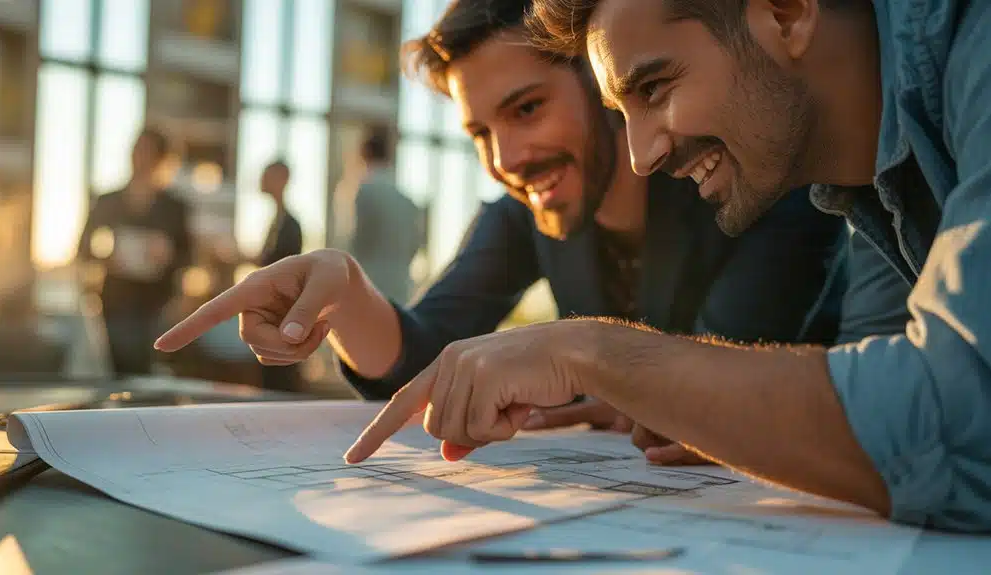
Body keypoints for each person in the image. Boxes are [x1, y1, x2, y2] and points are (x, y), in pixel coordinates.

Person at [342, 0, 991, 531]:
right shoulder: (865, 183)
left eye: (654, 86)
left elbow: (957, 420)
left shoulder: (968, 54)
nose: (640, 155)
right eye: (622, 110)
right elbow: (879, 414)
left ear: (788, 13)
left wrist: (595, 354)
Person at [155, 0, 846, 466]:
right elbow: (429, 356)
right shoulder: (521, 214)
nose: (506, 159)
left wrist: (604, 376)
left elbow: (723, 376)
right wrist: (349, 297)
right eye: (481, 132)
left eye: (527, 108)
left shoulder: (736, 175)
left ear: (604, 82)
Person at [78, 128, 193, 376]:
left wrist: (167, 254)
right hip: (116, 299)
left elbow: (187, 255)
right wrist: (107, 258)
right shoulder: (109, 201)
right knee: (119, 366)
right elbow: (84, 246)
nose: (140, 158)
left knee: (146, 368)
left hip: (157, 302)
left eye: (148, 152)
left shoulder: (175, 207)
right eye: (138, 150)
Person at [339, 126, 424, 306]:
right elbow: (415, 244)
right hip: (400, 286)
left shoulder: (363, 190)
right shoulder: (406, 199)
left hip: (368, 285)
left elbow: (356, 241)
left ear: (363, 155)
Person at [256, 159, 304, 391]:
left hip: (280, 316)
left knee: (279, 379)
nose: (261, 179)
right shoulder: (278, 222)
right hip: (274, 313)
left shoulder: (290, 225)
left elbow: (279, 269)